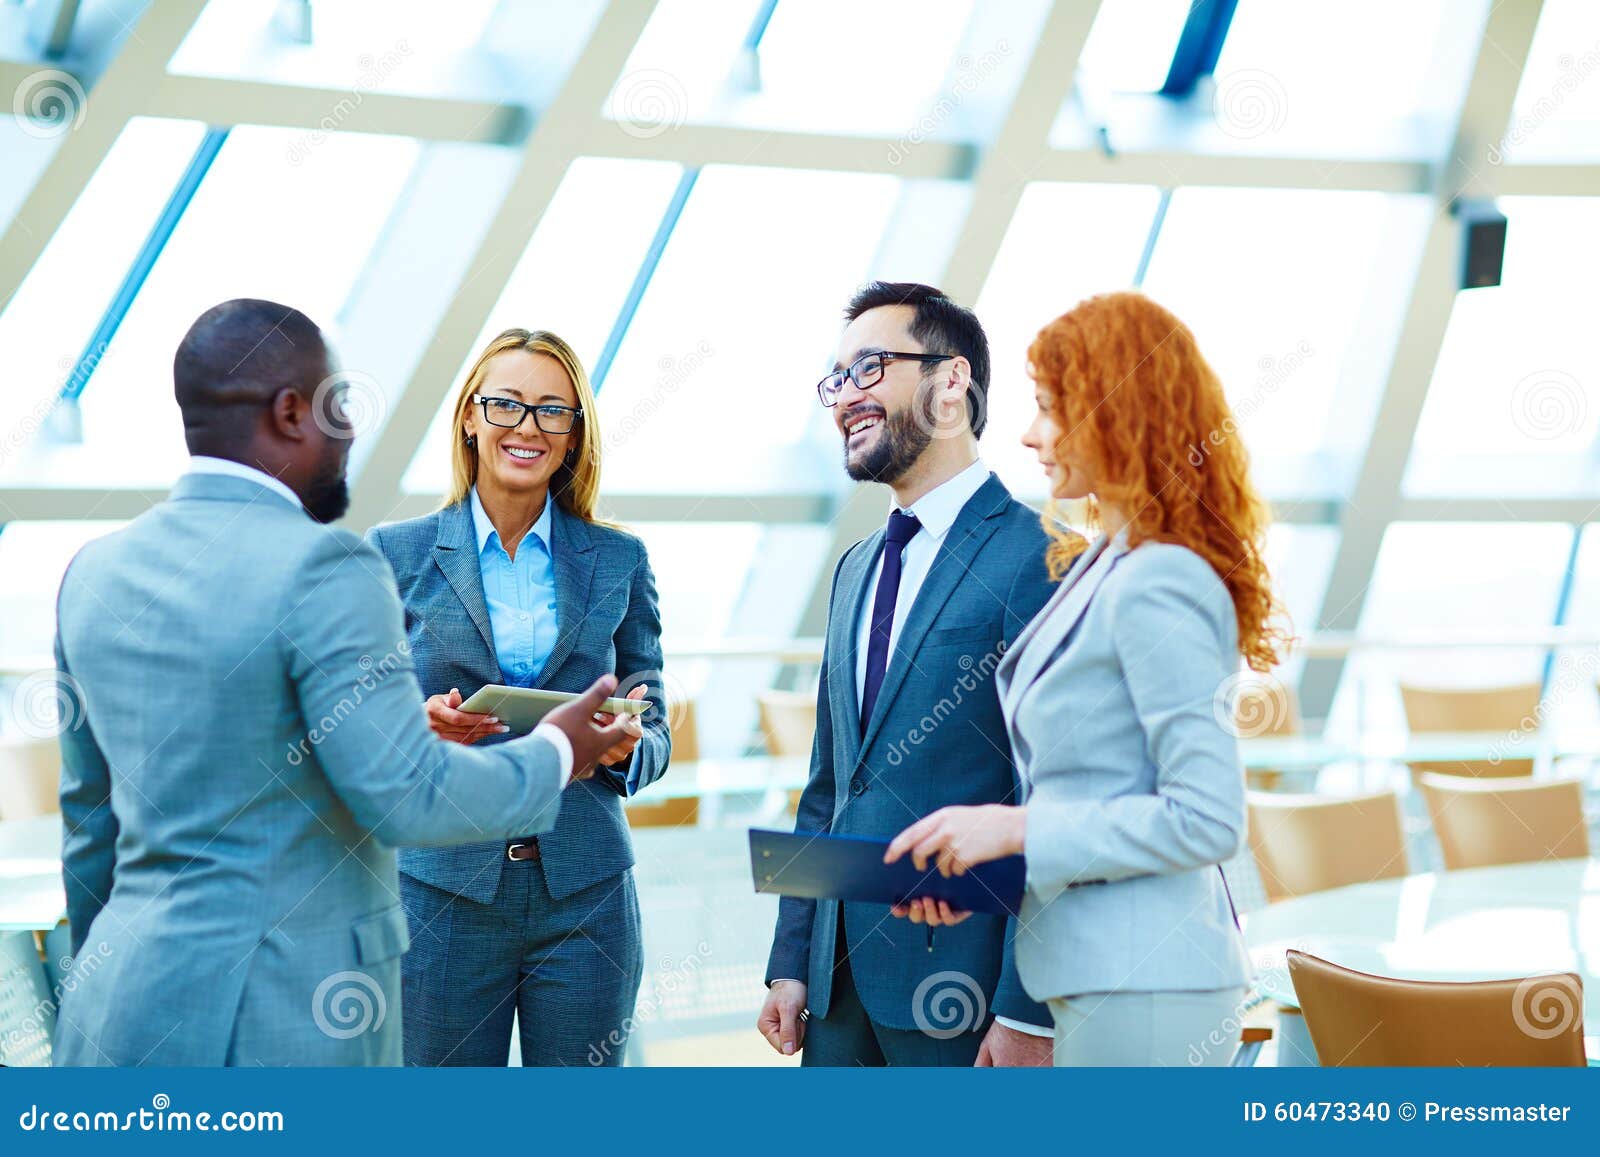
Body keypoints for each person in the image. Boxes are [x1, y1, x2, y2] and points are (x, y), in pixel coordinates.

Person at [52, 299, 630, 1067]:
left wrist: (115, 967)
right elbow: (408, 793)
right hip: (282, 1018)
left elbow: (90, 824)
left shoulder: (93, 572)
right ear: (291, 412)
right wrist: (559, 747)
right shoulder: (331, 565)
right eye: (339, 405)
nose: (352, 430)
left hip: (115, 1008)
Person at [885, 291, 1291, 1066]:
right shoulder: (1105, 563)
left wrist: (1013, 829)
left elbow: (1207, 819)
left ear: (1118, 413)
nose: (1030, 434)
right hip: (1095, 973)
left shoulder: (1161, 578)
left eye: (1049, 408)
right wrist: (985, 863)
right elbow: (1091, 790)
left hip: (1147, 980)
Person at [757, 282, 1056, 1066]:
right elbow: (831, 784)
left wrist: (1030, 1010)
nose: (845, 397)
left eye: (870, 369)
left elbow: (1053, 798)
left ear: (951, 381)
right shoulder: (856, 569)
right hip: (836, 990)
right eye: (836, 378)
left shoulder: (1038, 557)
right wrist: (793, 960)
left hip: (962, 992)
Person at [366, 328, 669, 1067]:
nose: (527, 427)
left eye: (551, 412)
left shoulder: (618, 558)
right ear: (471, 415)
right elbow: (356, 724)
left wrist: (627, 749)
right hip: (441, 891)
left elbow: (653, 719)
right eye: (507, 404)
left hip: (586, 892)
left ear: (574, 434)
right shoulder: (394, 552)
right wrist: (419, 726)